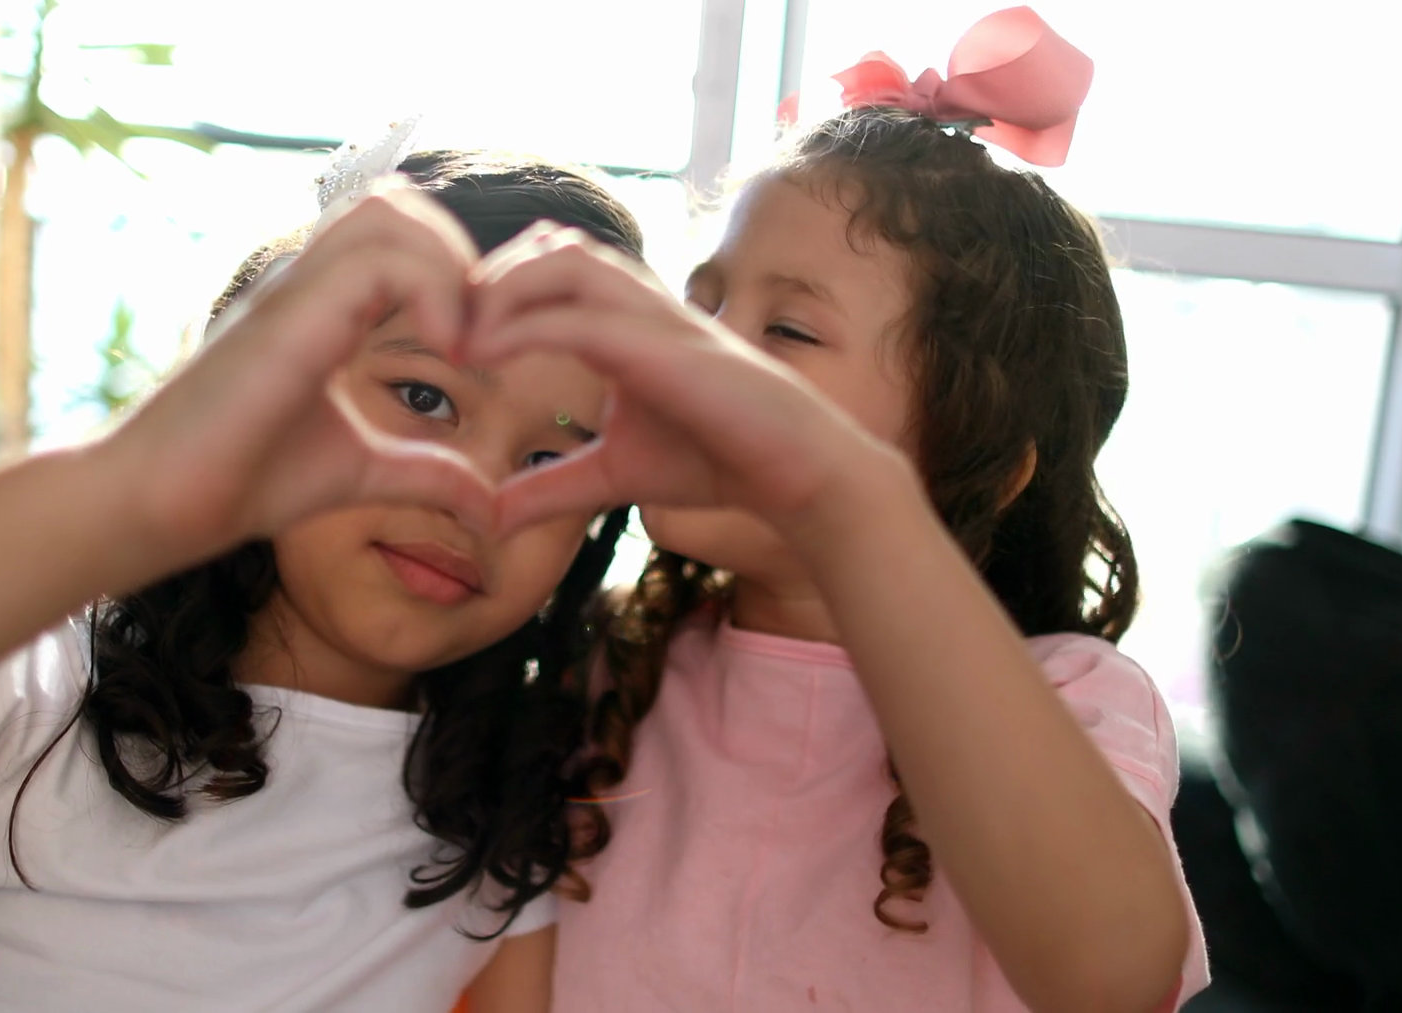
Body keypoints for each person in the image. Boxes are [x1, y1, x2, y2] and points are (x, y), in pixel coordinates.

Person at [0, 151, 643, 1013]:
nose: (475, 495)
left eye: (555, 462)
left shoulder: (510, 819)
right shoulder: (22, 686)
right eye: (424, 394)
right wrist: (115, 493)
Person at [459, 9, 1209, 1010]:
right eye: (702, 306)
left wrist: (853, 505)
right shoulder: (613, 669)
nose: (703, 356)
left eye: (789, 329)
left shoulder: (1075, 696)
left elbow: (1114, 977)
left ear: (977, 466)